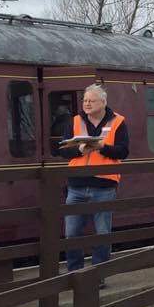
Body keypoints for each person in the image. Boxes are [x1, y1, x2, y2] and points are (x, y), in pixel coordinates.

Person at [54, 84, 129, 272]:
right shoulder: (74, 121)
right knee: (72, 233)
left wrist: (102, 147)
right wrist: (79, 149)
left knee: (102, 233)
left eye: (91, 100)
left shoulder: (118, 122)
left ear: (103, 102)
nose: (87, 104)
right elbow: (63, 152)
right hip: (76, 184)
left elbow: (123, 151)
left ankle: (98, 274)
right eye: (85, 100)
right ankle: (74, 273)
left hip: (104, 185)